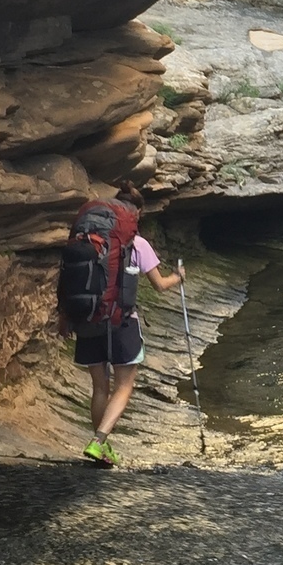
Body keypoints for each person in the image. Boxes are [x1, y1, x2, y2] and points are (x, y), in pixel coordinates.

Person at [61, 182, 185, 467]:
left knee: (99, 388)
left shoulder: (89, 239)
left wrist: (64, 317)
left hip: (88, 318)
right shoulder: (137, 243)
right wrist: (178, 276)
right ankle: (99, 441)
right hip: (122, 322)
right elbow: (160, 285)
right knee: (124, 385)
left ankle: (101, 448)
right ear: (136, 213)